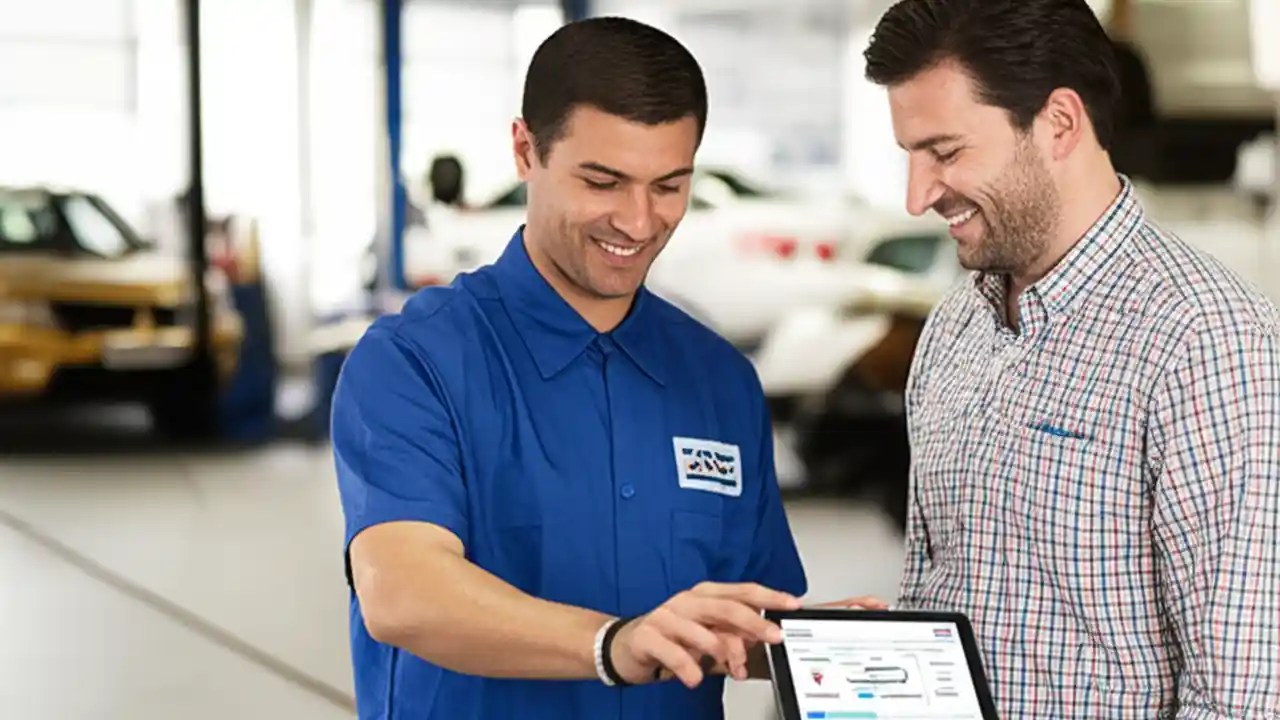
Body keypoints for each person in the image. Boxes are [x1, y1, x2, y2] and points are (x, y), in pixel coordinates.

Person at [331, 17, 810, 720]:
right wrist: (614, 644)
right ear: (526, 150)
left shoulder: (721, 382)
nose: (640, 221)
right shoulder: (414, 362)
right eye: (604, 181)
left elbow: (749, 619)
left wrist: (832, 646)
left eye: (669, 186)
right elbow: (402, 592)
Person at [861, 0, 1280, 717]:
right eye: (910, 155)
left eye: (946, 152)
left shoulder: (1206, 342)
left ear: (1059, 123)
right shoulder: (955, 325)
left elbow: (1242, 695)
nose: (916, 196)